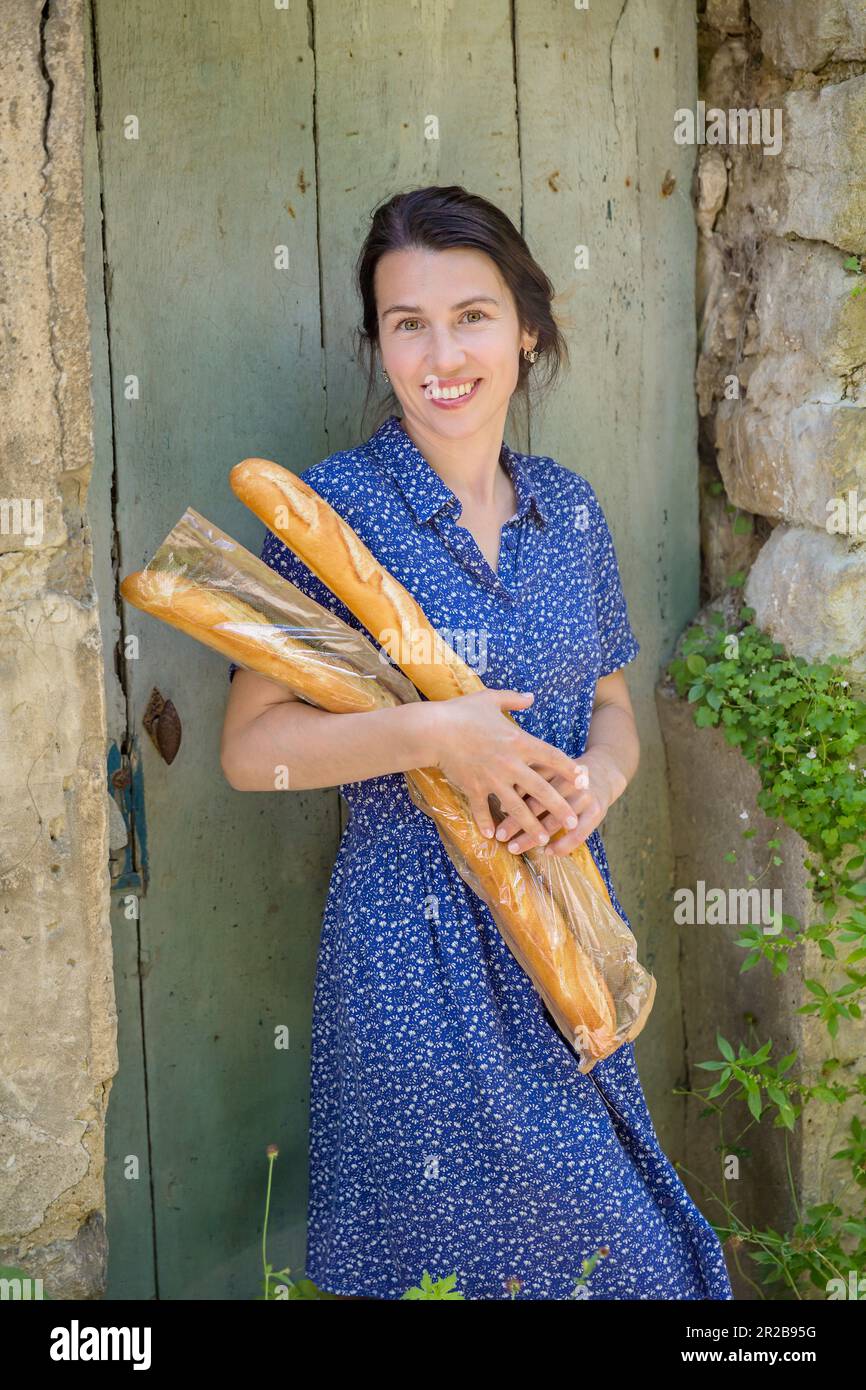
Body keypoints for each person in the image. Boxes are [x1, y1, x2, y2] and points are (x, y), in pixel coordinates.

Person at [220, 185, 734, 1301]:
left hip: (562, 927)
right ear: (377, 344)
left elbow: (613, 713)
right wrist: (432, 733)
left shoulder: (570, 510)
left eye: (472, 315)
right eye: (406, 323)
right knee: (455, 1268)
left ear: (526, 329)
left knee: (625, 1264)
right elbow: (248, 748)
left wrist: (592, 784)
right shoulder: (332, 508)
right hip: (410, 953)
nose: (440, 353)